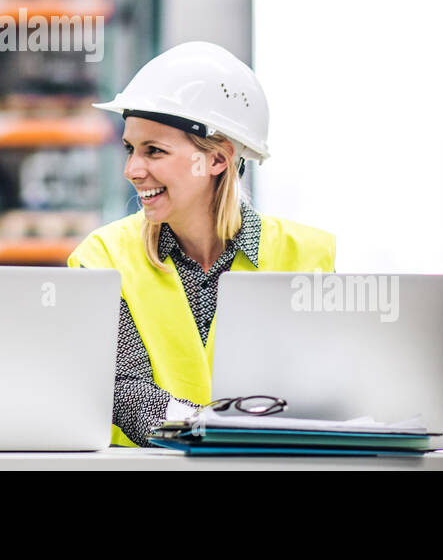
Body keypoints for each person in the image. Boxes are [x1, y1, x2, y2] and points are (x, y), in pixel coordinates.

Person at [68, 41, 336, 447]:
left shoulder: (308, 257)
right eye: (130, 149)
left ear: (217, 159)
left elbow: (325, 391)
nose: (132, 170)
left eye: (153, 151)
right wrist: (215, 429)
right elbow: (123, 386)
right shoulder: (103, 257)